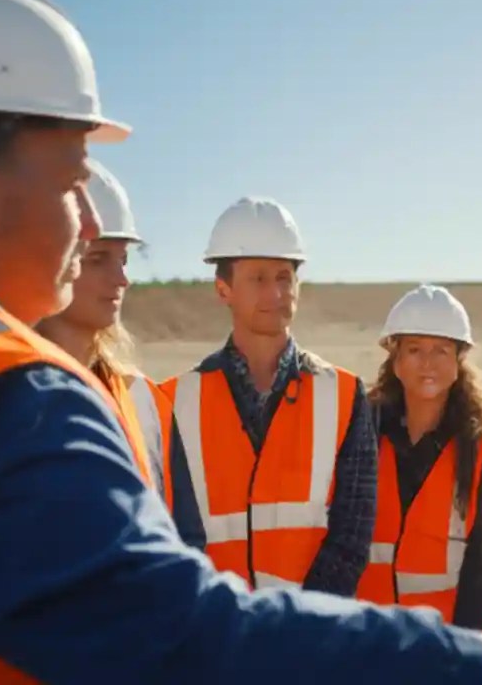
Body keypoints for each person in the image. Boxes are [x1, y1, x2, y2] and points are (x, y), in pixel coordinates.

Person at [0, 0, 482, 682]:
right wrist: (478, 660)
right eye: (72, 184)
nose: (88, 221)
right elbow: (172, 631)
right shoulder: (10, 401)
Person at [160, 196, 375, 596]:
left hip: (311, 638)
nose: (275, 293)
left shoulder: (345, 395)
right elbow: (172, 535)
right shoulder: (172, 402)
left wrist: (301, 626)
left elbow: (353, 531)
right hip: (216, 637)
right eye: (258, 278)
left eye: (283, 277)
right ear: (223, 289)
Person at [356, 284, 482, 629]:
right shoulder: (361, 439)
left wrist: (460, 656)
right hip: (369, 647)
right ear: (395, 360)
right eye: (414, 349)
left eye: (441, 350)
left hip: (447, 651)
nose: (427, 363)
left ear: (458, 362)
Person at [36, 158, 174, 504]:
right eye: (97, 259)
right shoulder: (7, 394)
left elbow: (183, 529)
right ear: (56, 259)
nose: (121, 279)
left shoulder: (142, 397)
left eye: (123, 259)